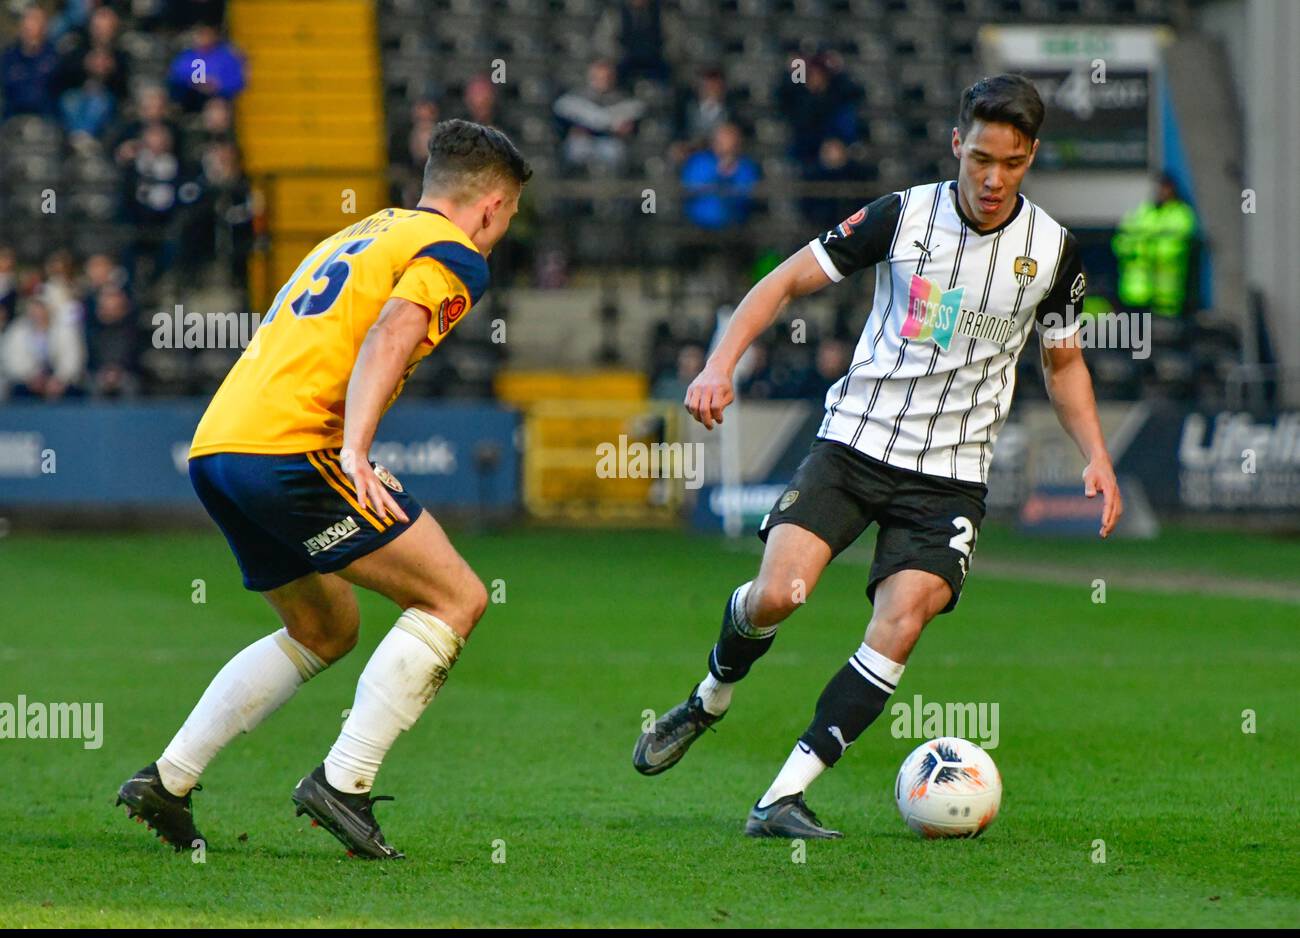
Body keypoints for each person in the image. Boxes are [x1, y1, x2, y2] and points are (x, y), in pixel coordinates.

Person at [632, 75, 1122, 838]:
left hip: (953, 477)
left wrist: (1095, 452)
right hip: (856, 443)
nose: (995, 179)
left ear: (1030, 159)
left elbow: (1063, 365)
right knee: (779, 597)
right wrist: (718, 364)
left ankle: (782, 798)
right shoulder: (901, 216)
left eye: (1015, 163)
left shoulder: (1054, 252)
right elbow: (785, 279)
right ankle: (709, 699)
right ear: (958, 145)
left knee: (902, 619)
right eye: (983, 157)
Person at [116, 121, 531, 860]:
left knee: (326, 629)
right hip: (290, 447)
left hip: (221, 449)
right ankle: (344, 783)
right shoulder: (454, 254)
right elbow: (394, 331)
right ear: (493, 206)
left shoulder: (363, 232)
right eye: (510, 217)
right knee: (456, 597)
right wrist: (356, 449)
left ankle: (167, 780)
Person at [1112, 172, 1198, 318]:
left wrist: (1144, 247)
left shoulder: (1181, 213)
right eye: (1160, 187)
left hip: (1166, 295)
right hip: (1135, 292)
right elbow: (1121, 240)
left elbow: (1175, 246)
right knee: (1135, 334)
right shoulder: (1143, 212)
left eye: (1166, 188)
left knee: (1163, 332)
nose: (1162, 192)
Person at [681, 122, 760, 230]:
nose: (726, 145)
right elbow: (689, 187)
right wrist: (718, 174)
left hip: (737, 227)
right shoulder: (698, 161)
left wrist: (731, 175)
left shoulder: (746, 166)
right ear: (714, 142)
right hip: (699, 226)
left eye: (731, 141)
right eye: (721, 141)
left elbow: (749, 194)